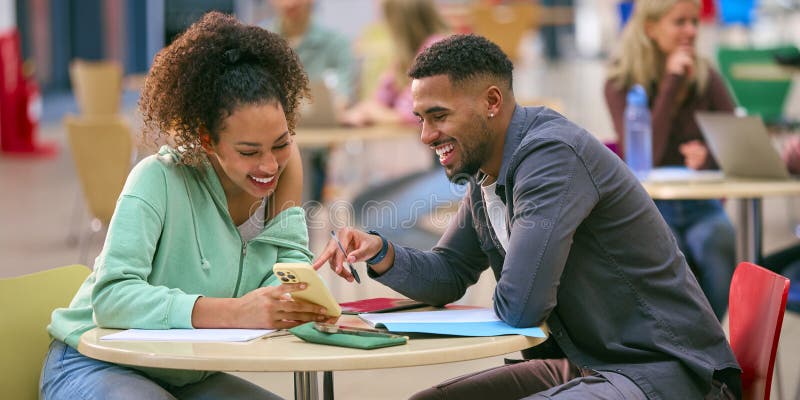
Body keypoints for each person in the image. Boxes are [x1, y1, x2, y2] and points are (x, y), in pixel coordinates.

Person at [313, 34, 741, 399]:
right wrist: (381, 251)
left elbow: (521, 306)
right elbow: (449, 272)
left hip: (670, 373)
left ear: (492, 102)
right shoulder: (487, 167)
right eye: (421, 119)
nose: (427, 136)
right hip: (593, 363)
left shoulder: (550, 156)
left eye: (439, 116)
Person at [41, 12, 334, 399]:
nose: (269, 165)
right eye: (249, 151)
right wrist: (235, 312)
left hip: (184, 371)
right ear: (207, 139)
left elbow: (286, 270)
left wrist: (308, 302)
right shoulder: (158, 179)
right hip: (95, 361)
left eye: (280, 143)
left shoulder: (286, 170)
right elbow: (110, 298)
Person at [604, 0, 736, 320]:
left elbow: (735, 141)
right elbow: (646, 155)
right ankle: (685, 350)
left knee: (719, 238)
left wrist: (708, 157)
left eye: (694, 21)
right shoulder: (620, 83)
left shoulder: (706, 76)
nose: (691, 31)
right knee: (670, 255)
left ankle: (708, 345)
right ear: (650, 28)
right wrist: (671, 81)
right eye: (680, 22)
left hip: (701, 203)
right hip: (649, 207)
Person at [261, 0, 358, 204]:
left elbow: (341, 99)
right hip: (266, 150)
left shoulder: (336, 42)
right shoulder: (259, 39)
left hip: (319, 156)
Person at [341, 0, 449, 126]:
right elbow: (382, 97)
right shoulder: (408, 55)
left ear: (401, 22)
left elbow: (412, 115)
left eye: (387, 18)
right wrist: (365, 110)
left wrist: (373, 112)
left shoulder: (437, 49)